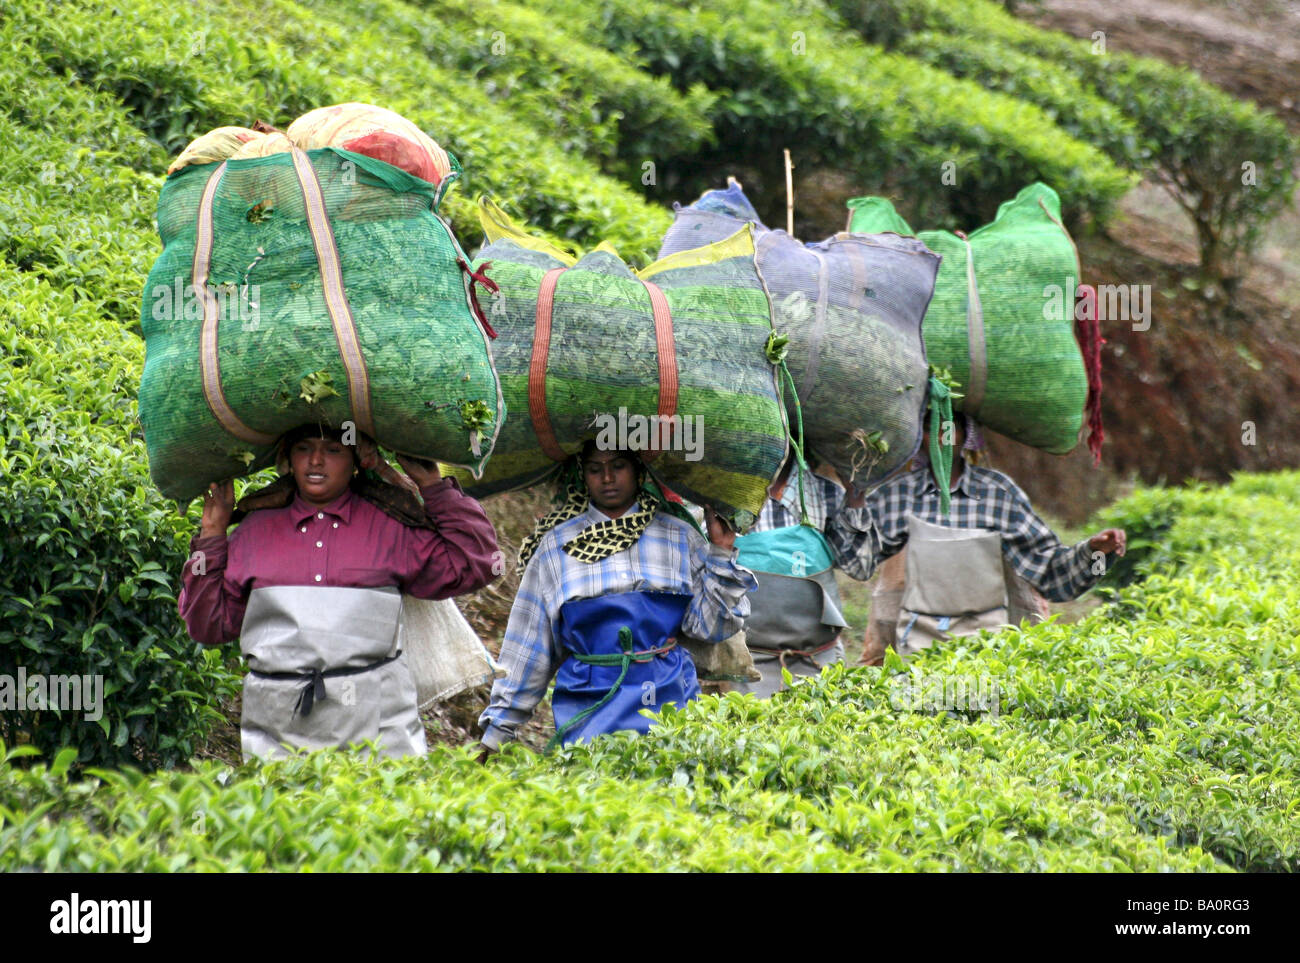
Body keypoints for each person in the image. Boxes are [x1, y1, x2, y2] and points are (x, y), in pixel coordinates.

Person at [179, 424, 500, 760]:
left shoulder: (389, 527)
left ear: (357, 461)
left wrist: (434, 487)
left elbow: (478, 562)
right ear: (288, 460)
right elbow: (208, 625)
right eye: (304, 448)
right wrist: (212, 533)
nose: (316, 461)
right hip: (277, 731)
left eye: (333, 450)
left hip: (379, 731)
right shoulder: (253, 532)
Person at [478, 442, 757, 752]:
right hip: (589, 702)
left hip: (668, 696)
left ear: (639, 471)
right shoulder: (555, 548)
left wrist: (720, 551)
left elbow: (709, 629)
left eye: (618, 466)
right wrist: (495, 734)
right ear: (583, 476)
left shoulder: (678, 536)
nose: (607, 478)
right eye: (595, 470)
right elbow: (528, 648)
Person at [850, 414, 1125, 657]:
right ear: (916, 436)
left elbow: (1053, 575)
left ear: (966, 433)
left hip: (989, 654)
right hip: (917, 653)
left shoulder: (997, 493)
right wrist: (852, 503)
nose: (941, 437)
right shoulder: (896, 497)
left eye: (950, 427)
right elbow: (856, 562)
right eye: (928, 427)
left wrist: (1098, 553)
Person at [724, 450, 875, 697]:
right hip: (746, 664)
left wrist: (855, 498)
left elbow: (861, 567)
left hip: (818, 661)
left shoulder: (825, 495)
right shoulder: (724, 496)